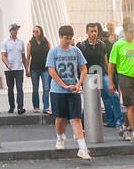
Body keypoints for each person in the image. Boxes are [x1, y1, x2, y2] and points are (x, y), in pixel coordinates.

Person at [46, 25, 90, 159]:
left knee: (76, 119)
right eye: (66, 38)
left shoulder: (76, 51)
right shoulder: (53, 52)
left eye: (70, 38)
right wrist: (64, 85)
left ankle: (83, 148)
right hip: (58, 90)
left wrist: (78, 84)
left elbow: (83, 68)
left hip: (73, 90)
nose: (68, 41)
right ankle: (60, 137)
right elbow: (51, 71)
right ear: (60, 37)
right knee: (60, 118)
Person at [108, 21, 134, 145]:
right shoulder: (118, 45)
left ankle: (124, 127)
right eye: (131, 31)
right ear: (125, 32)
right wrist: (111, 82)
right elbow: (111, 65)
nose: (133, 34)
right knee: (131, 105)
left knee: (133, 106)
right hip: (124, 77)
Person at [77, 23, 122, 134]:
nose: (93, 33)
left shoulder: (102, 45)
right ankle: (84, 125)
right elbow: (79, 65)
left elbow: (105, 61)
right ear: (87, 32)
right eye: (91, 31)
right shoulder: (81, 46)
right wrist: (80, 81)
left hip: (102, 74)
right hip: (88, 77)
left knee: (113, 95)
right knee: (90, 101)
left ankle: (117, 122)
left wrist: (110, 77)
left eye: (95, 31)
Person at [1, 23, 28, 114]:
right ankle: (11, 107)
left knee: (20, 88)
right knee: (10, 88)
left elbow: (24, 57)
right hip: (9, 69)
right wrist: (7, 64)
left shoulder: (21, 42)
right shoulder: (5, 42)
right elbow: (3, 56)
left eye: (17, 29)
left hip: (19, 68)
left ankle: (20, 107)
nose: (16, 31)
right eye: (14, 29)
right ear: (10, 31)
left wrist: (26, 69)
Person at [28, 26, 51, 115]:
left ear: (41, 32)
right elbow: (28, 57)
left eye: (37, 31)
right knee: (35, 88)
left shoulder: (46, 42)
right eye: (33, 31)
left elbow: (50, 55)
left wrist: (51, 67)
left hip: (45, 69)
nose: (35, 33)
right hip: (34, 68)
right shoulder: (30, 43)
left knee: (46, 88)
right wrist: (26, 69)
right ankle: (36, 106)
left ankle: (46, 107)